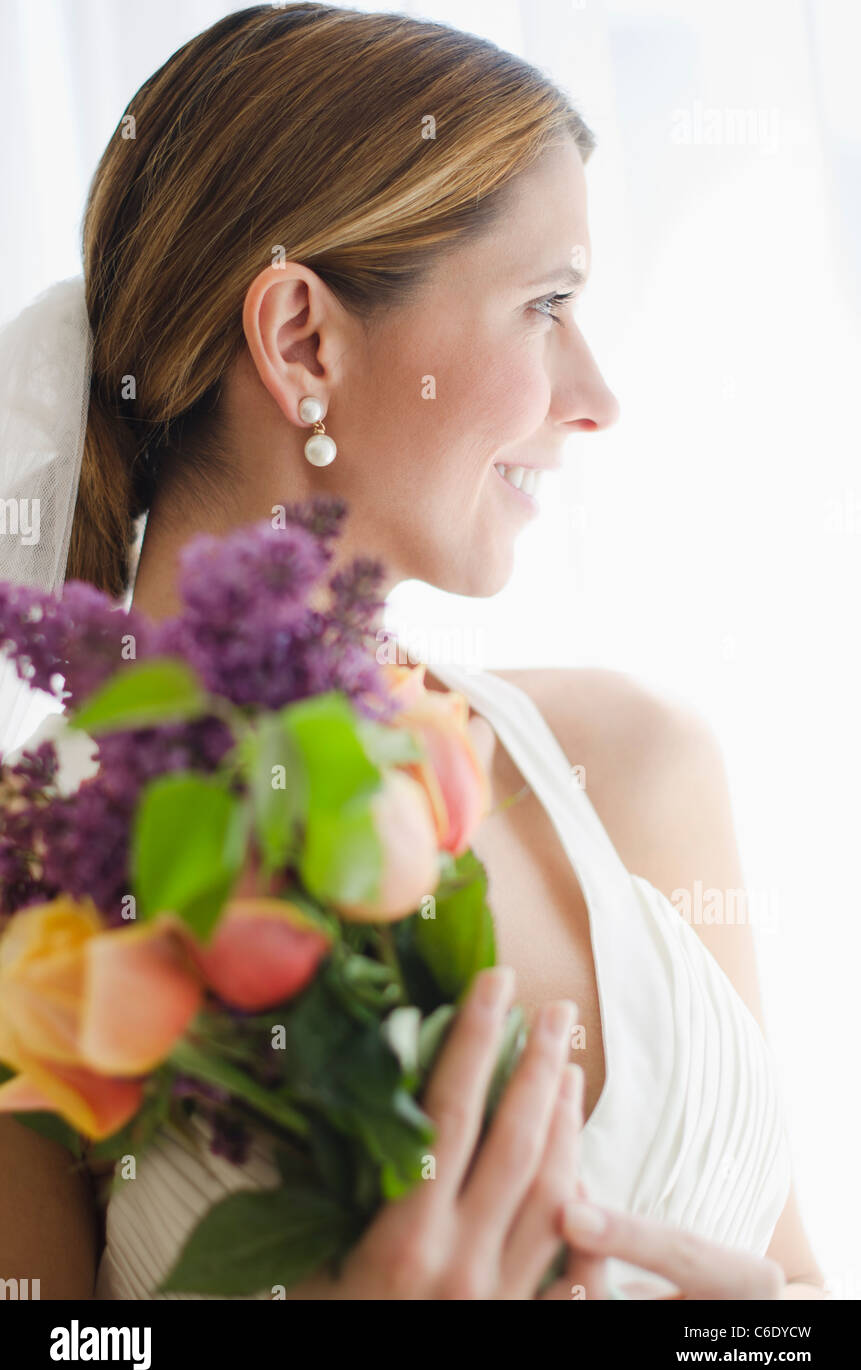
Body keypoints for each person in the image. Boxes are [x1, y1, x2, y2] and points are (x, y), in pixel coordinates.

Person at [0, 3, 824, 1299]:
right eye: (546, 304)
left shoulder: (637, 765)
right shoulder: (37, 872)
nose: (597, 395)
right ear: (302, 341)